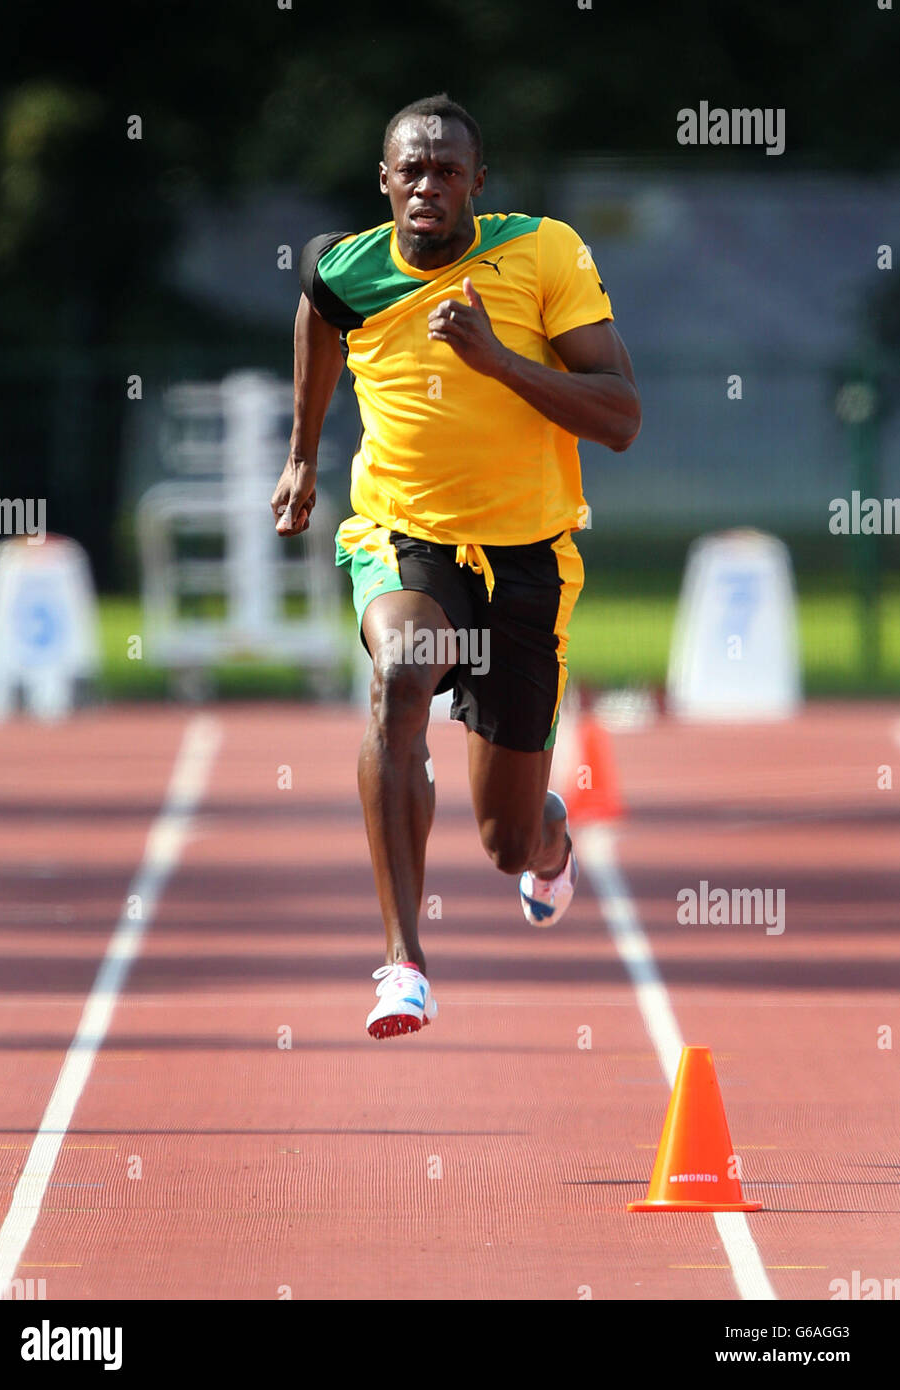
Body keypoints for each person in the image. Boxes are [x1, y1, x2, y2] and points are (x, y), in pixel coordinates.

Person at [272, 94, 640, 1039]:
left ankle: (549, 838)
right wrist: (303, 457)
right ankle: (403, 961)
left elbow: (619, 418)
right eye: (411, 170)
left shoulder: (544, 254)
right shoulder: (343, 270)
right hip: (404, 536)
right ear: (384, 183)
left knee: (503, 838)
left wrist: (496, 362)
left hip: (528, 559)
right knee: (400, 676)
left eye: (447, 170)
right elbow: (316, 318)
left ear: (479, 181)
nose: (427, 185)